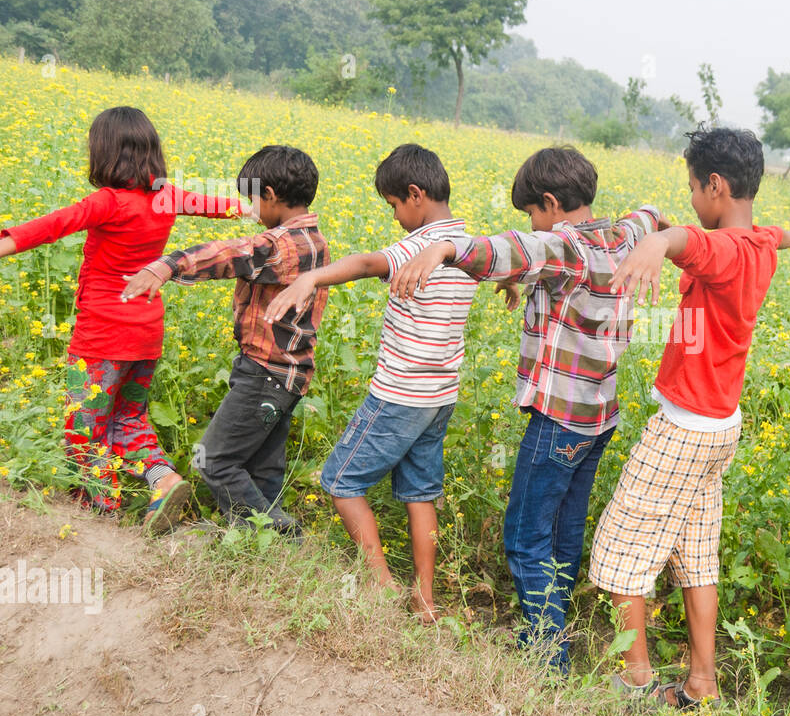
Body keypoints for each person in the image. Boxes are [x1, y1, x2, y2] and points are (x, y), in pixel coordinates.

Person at [389, 146, 668, 668]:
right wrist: (661, 238)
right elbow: (651, 213)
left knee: (524, 536)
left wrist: (442, 250)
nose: (534, 224)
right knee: (563, 531)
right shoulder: (624, 235)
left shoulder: (565, 247)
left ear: (549, 203)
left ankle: (545, 657)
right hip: (598, 418)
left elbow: (510, 249)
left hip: (558, 420)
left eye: (534, 213)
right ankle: (556, 629)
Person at [589, 127, 790, 708]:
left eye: (693, 187)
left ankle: (633, 681)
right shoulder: (759, 240)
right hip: (720, 427)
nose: (690, 199)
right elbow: (780, 233)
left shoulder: (728, 249)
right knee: (696, 553)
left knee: (621, 546)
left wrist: (659, 246)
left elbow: (696, 243)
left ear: (716, 184)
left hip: (684, 427)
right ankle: (701, 683)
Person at [0, 106, 244, 531]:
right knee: (128, 419)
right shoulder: (167, 198)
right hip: (146, 334)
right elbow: (216, 206)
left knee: (84, 427)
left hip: (101, 336)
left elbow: (54, 225)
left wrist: (7, 242)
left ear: (104, 153)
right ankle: (163, 480)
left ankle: (101, 513)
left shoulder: (108, 201)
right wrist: (256, 209)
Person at [266, 144, 482, 622]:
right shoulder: (468, 246)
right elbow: (505, 265)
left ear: (415, 194)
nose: (396, 218)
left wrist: (311, 279)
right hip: (440, 395)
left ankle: (380, 584)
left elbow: (366, 263)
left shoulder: (421, 245)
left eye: (394, 207)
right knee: (421, 492)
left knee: (341, 480)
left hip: (400, 395)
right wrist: (509, 283)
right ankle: (424, 600)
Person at [121, 145, 330, 537]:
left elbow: (235, 253)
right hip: (289, 377)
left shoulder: (281, 244)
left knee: (212, 460)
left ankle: (273, 535)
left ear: (268, 194)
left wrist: (171, 263)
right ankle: (270, 550)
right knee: (262, 468)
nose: (249, 209)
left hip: (264, 374)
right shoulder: (315, 239)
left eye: (251, 199)